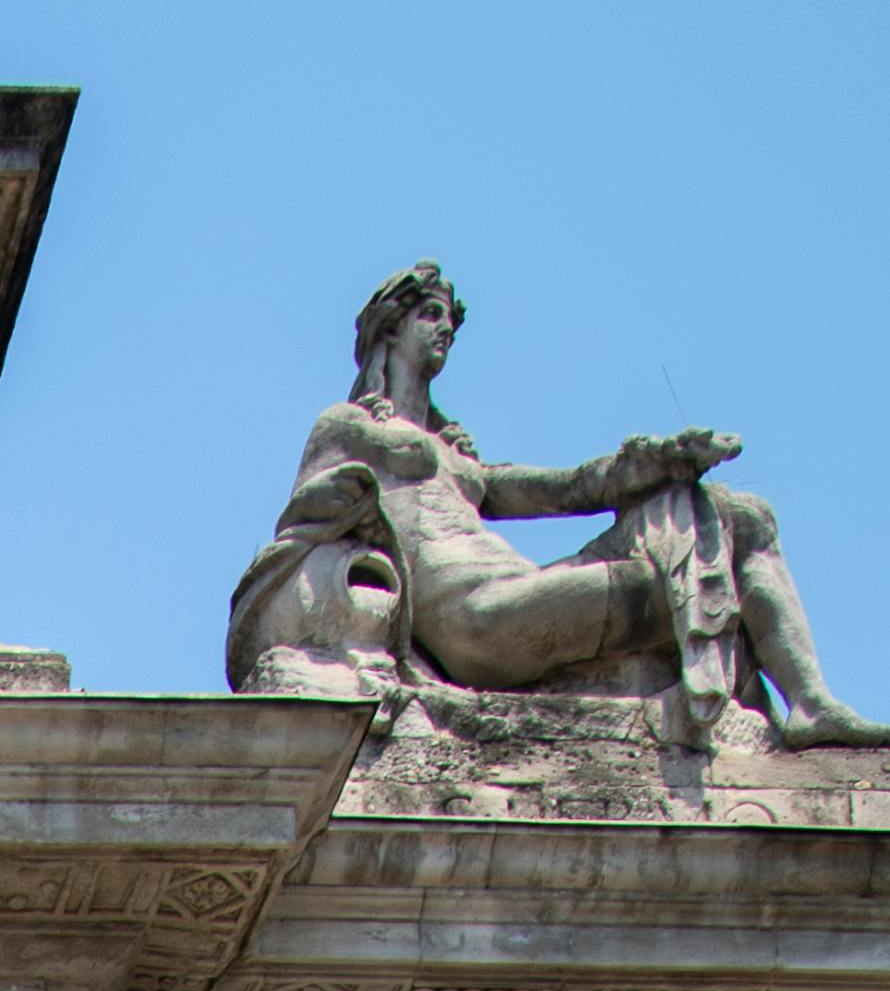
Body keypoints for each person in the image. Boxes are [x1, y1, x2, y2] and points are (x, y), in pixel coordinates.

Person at [228, 263, 882, 748]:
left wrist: (656, 461)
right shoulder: (347, 426)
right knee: (690, 574)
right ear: (388, 329)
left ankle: (811, 703)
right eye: (430, 314)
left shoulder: (460, 458)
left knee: (740, 516)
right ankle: (718, 691)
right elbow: (302, 530)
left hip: (523, 591)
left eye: (450, 319)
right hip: (477, 620)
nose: (446, 328)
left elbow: (570, 488)